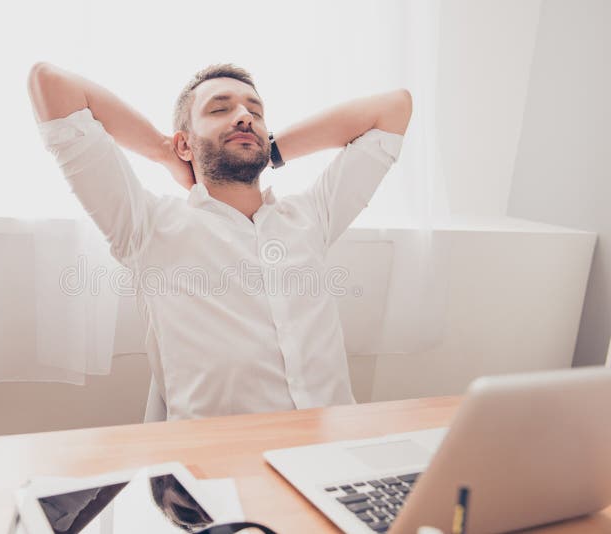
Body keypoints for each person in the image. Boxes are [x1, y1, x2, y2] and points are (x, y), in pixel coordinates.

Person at [27, 63, 412, 420]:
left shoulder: (311, 216)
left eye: (255, 113)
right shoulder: (148, 225)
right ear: (185, 144)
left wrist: (270, 149)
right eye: (219, 110)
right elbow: (51, 84)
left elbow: (394, 108)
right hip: (219, 467)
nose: (244, 116)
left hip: (332, 450)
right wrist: (166, 151)